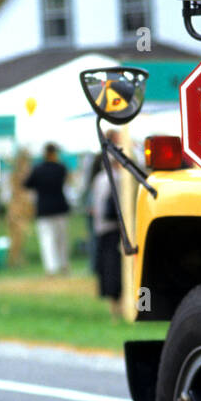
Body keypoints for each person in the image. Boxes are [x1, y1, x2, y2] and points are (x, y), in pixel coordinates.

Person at [89, 131, 123, 320]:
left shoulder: (100, 178)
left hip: (103, 229)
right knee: (115, 270)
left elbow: (96, 206)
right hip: (116, 230)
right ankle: (125, 308)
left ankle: (115, 309)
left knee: (109, 269)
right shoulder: (117, 178)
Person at [24, 142, 71, 275]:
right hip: (59, 207)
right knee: (61, 239)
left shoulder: (38, 169)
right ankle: (63, 265)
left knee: (47, 240)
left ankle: (51, 267)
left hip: (44, 208)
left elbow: (27, 184)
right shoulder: (60, 168)